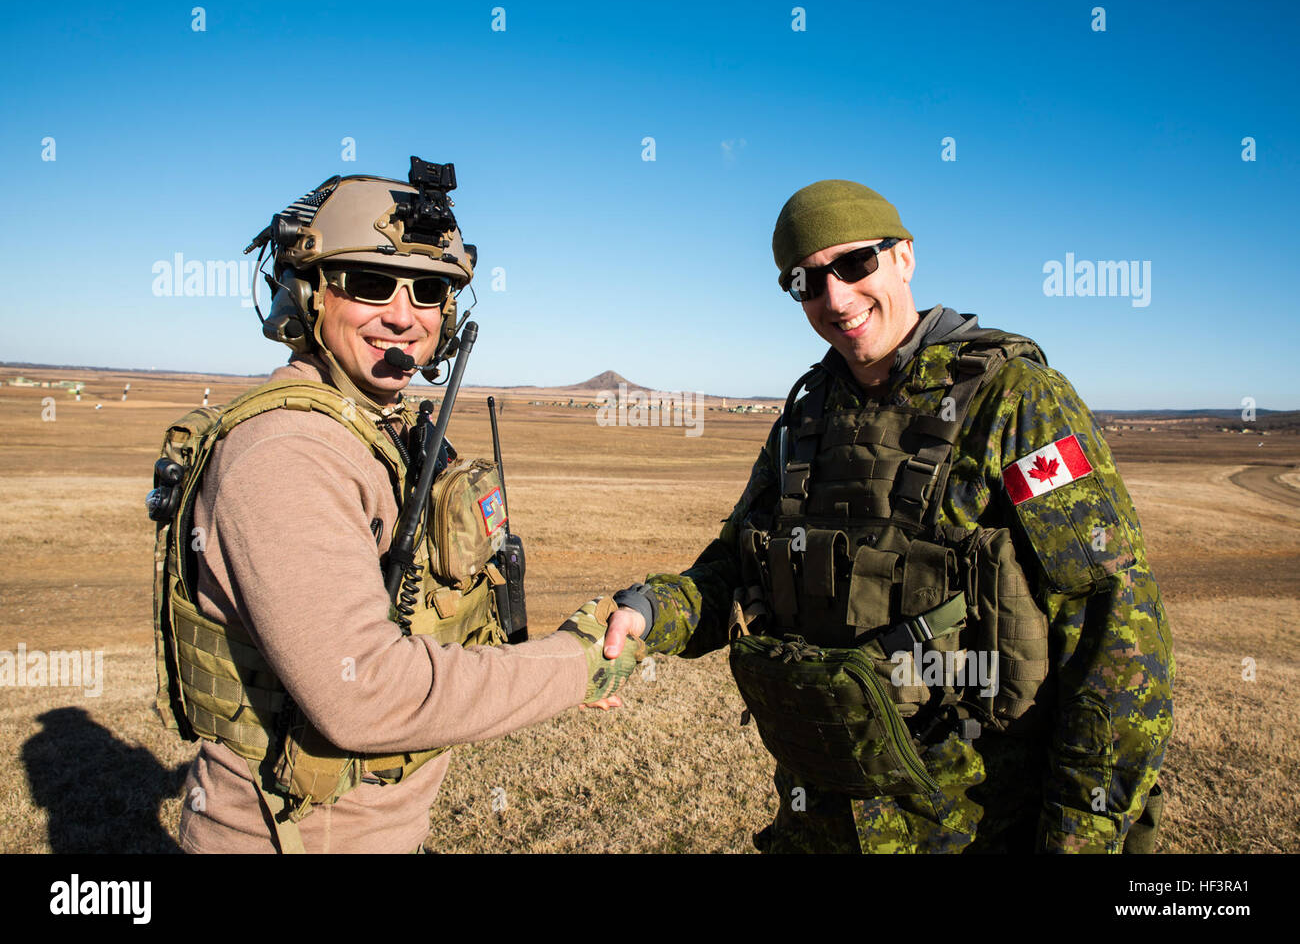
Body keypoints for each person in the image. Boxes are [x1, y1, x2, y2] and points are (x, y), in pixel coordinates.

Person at [592, 179, 1174, 853]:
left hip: (975, 832)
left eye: (854, 264)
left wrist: (1079, 840)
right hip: (819, 827)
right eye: (806, 282)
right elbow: (735, 566)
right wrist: (648, 615)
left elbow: (1114, 634)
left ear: (904, 257)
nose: (834, 298)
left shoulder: (1015, 402)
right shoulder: (807, 419)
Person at [151, 159, 640, 853]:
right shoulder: (289, 453)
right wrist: (570, 666)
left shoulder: (384, 429)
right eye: (371, 283)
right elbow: (365, 692)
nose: (405, 316)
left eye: (431, 290)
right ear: (309, 295)